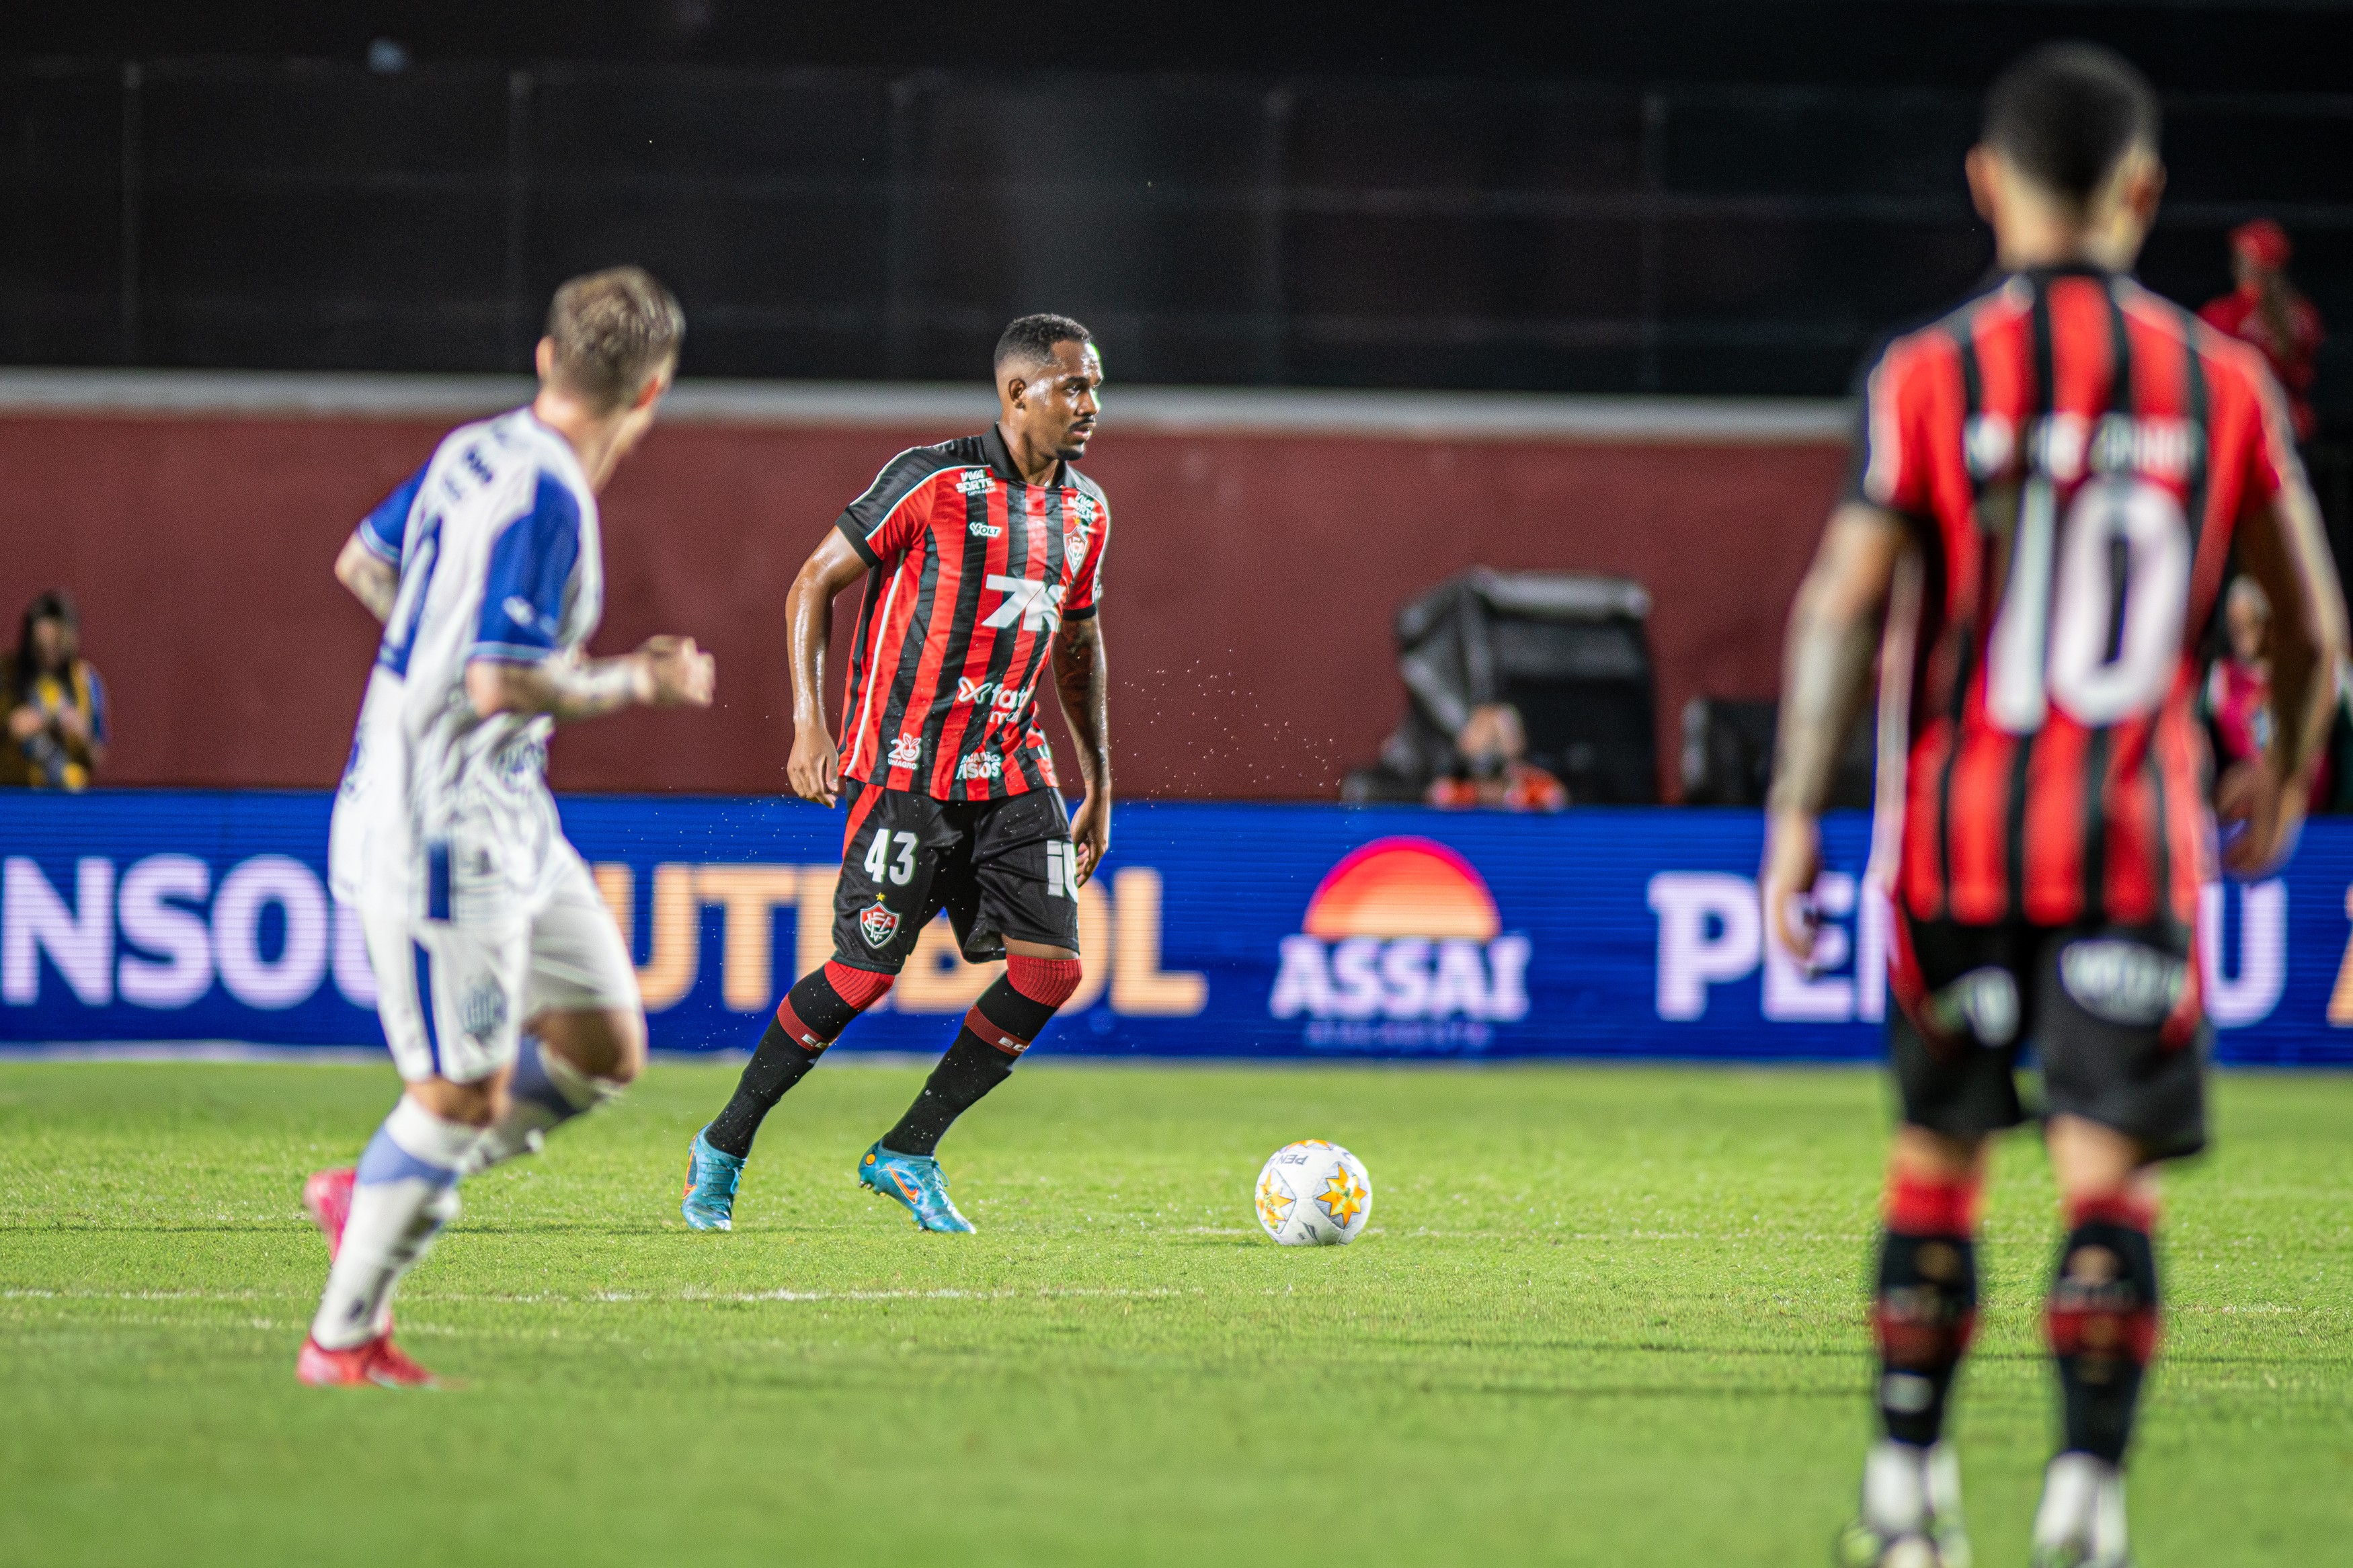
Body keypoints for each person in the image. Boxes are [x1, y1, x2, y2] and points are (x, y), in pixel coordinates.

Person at [1761, 45, 2346, 1568]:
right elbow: (2317, 630)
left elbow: (1839, 609)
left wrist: (1789, 820)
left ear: (1986, 185)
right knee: (2108, 1175)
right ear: (2144, 191)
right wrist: (2279, 768)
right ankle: (2085, 1507)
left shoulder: (1924, 376)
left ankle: (1905, 1499)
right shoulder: (2219, 386)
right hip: (2135, 849)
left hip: (1954, 842)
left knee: (1938, 1167)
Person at [298, 267, 717, 1388]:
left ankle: (374, 1184)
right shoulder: (547, 495)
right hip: (439, 821)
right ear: (655, 391)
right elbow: (497, 680)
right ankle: (341, 1339)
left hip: (508, 809)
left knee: (601, 1047)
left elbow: (363, 562)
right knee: (459, 1095)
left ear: (546, 359)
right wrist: (635, 682)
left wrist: (434, 666)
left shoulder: (474, 447)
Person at [678, 313, 1113, 1235]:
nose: (1091, 405)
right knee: (863, 975)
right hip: (906, 771)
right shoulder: (933, 480)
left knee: (1053, 970)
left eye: (1096, 387)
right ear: (1016, 393)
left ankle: (909, 1148)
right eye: (1074, 386)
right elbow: (812, 582)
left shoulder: (1086, 512)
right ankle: (724, 1143)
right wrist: (811, 720)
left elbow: (1077, 641)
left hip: (1013, 769)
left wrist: (1099, 781)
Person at [2198, 219, 2323, 442]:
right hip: (2291, 429)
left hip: (2242, 429)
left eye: (2240, 258)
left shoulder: (2224, 313)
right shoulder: (2306, 314)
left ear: (2251, 264)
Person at [1, 589, 108, 790]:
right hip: (13, 795)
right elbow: (16, 726)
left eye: (57, 644)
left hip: (65, 798)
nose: (49, 653)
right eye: (41, 645)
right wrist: (40, 722)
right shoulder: (6, 674)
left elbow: (96, 754)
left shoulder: (85, 680)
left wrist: (80, 733)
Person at [1425, 703, 1567, 810]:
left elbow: (1556, 798)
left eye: (1497, 735)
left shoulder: (1535, 785)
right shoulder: (1455, 786)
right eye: (1481, 730)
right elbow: (1437, 796)